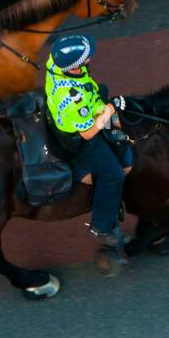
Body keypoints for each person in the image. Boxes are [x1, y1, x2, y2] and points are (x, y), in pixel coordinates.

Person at [44, 34, 130, 250]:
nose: (90, 58)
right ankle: (102, 226)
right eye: (85, 57)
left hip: (85, 102)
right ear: (74, 66)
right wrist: (110, 109)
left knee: (102, 89)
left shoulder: (55, 61)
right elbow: (88, 133)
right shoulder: (74, 99)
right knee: (114, 175)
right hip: (81, 137)